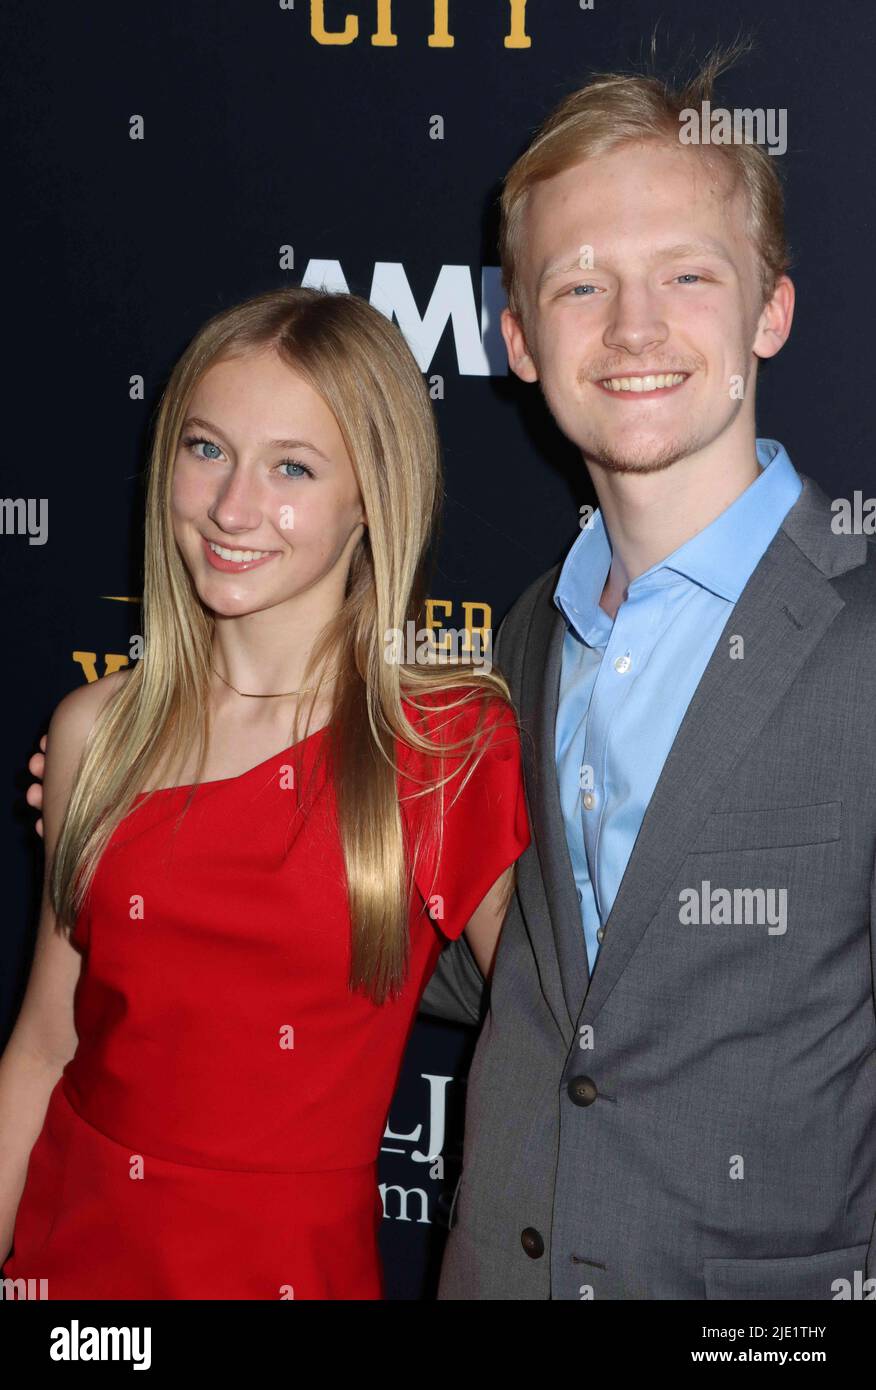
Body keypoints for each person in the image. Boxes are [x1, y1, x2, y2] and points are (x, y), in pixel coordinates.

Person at [416, 44, 876, 1298]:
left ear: (770, 308)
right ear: (515, 337)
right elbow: (520, 970)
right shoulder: (524, 638)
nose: (632, 328)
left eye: (685, 273)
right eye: (579, 287)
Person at [1, 286, 530, 1300]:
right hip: (73, 1259)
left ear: (370, 496)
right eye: (206, 450)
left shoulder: (446, 750)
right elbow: (45, 1042)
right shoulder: (91, 733)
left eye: (292, 467)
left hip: (290, 1268)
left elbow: (556, 1049)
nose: (233, 507)